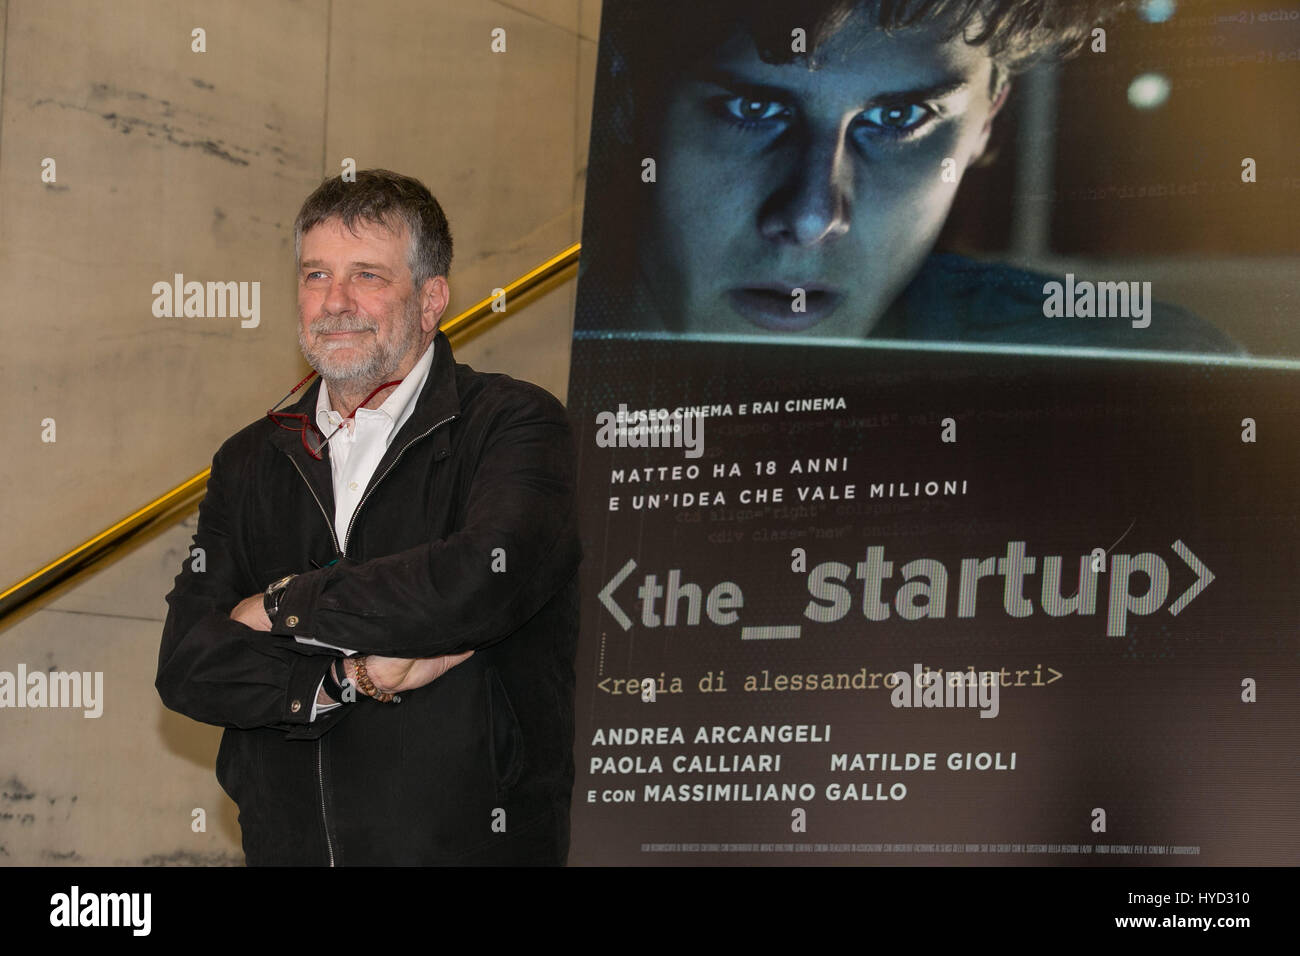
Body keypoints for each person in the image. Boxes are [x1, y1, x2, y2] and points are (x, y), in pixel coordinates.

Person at [156, 169, 583, 865]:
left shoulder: (513, 424)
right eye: (316, 274)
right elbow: (186, 661)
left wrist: (281, 605)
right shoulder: (251, 458)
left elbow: (479, 582)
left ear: (431, 299)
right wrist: (346, 680)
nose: (336, 302)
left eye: (368, 277)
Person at [578, 0, 1241, 353]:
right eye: (752, 109)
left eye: (901, 117)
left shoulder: (1139, 382)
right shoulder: (507, 390)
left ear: (987, 121)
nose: (811, 215)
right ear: (627, 104)